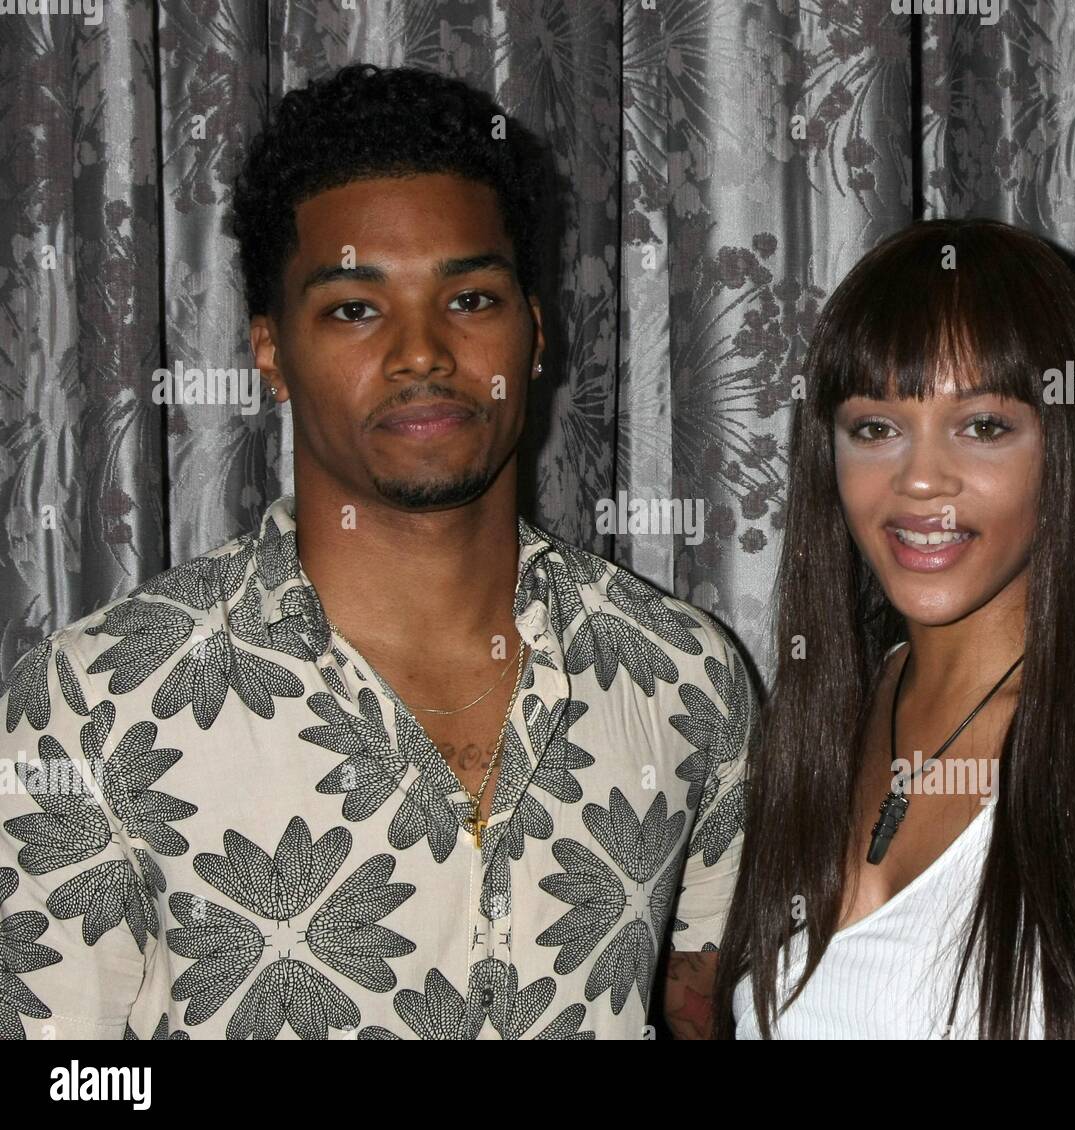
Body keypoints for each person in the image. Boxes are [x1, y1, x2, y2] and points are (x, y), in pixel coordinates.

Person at [0, 64, 753, 1041]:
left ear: (534, 333)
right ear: (270, 353)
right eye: (355, 308)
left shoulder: (684, 675)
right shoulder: (93, 703)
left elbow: (716, 1007)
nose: (421, 352)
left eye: (471, 297)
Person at [714, 218, 1075, 1039]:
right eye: (875, 427)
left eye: (983, 426)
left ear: (1065, 447)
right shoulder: (829, 715)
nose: (920, 479)